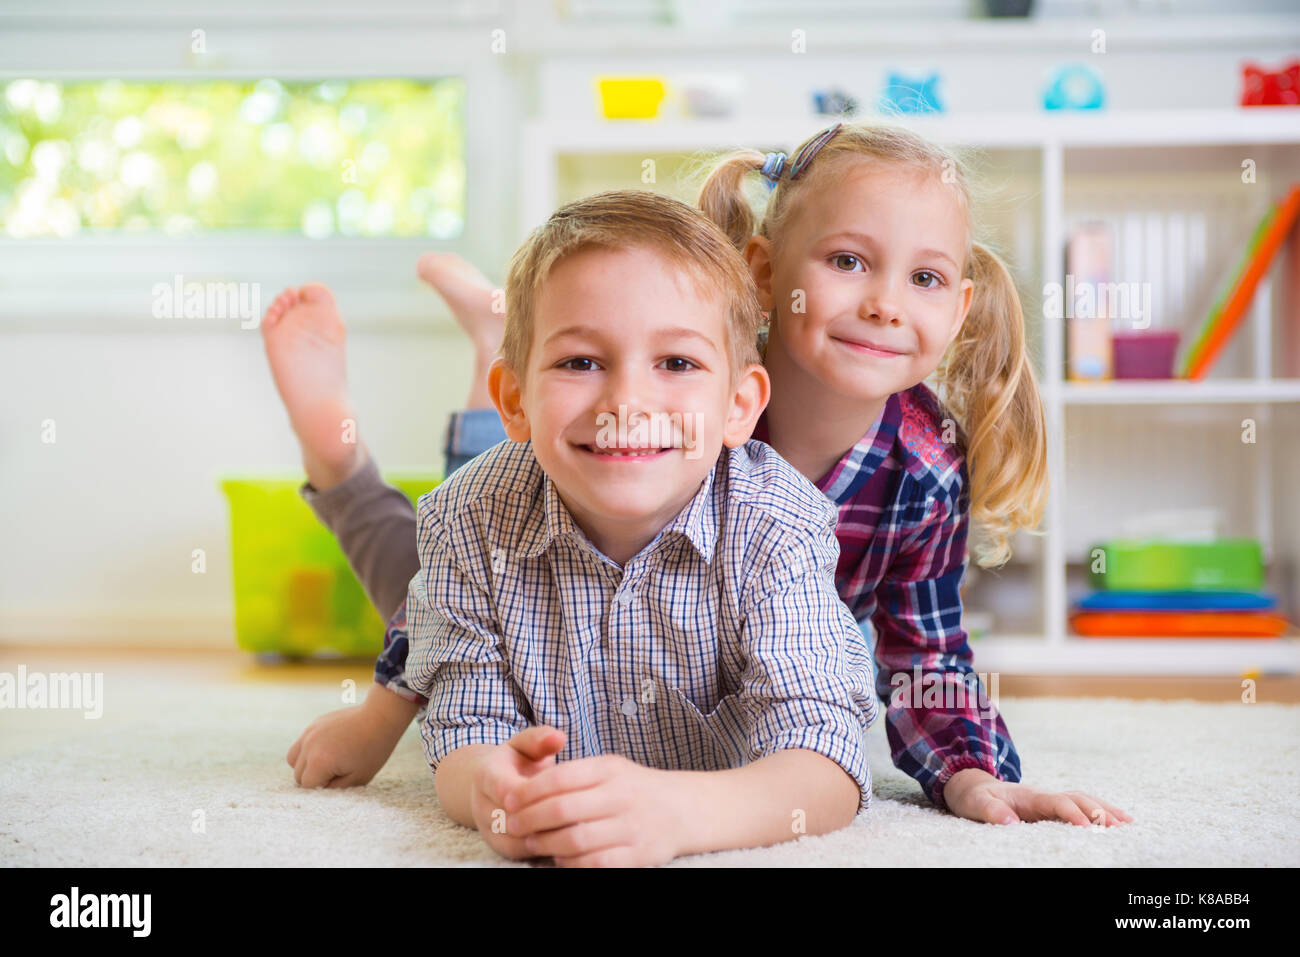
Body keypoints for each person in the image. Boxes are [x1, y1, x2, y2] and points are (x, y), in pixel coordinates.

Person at [273, 120, 1131, 829]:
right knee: (432, 552)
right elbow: (445, 616)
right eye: (846, 262)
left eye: (927, 277)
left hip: (738, 667)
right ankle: (370, 448)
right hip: (545, 525)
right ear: (765, 276)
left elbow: (921, 643)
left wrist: (970, 773)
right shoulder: (664, 373)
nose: (885, 304)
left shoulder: (917, 469)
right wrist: (384, 716)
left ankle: (495, 347)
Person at [275, 190, 878, 865]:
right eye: (580, 362)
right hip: (494, 522)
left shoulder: (778, 525)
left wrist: (683, 814)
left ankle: (375, 439)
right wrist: (494, 791)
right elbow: (464, 727)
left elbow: (827, 762)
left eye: (676, 363)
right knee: (406, 580)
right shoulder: (469, 516)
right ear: (516, 399)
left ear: (738, 407)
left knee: (407, 584)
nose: (626, 401)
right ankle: (344, 470)